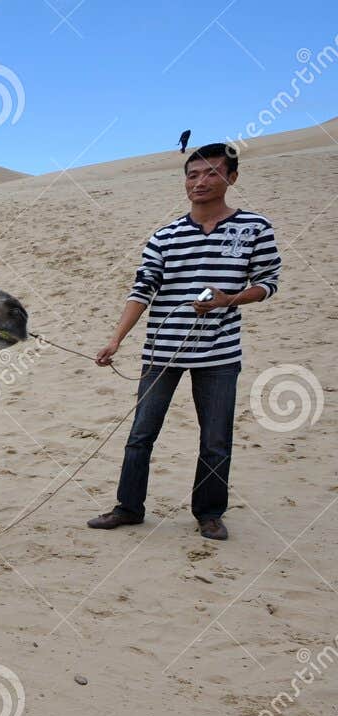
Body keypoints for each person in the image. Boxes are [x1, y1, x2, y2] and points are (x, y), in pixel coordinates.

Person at [87, 143, 281, 542]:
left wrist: (230, 299)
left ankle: (209, 513)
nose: (200, 182)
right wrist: (116, 339)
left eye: (211, 173)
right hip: (162, 350)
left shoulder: (254, 228)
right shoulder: (165, 235)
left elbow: (268, 282)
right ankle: (128, 507)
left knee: (215, 438)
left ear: (232, 177)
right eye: (193, 175)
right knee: (141, 433)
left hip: (219, 353)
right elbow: (143, 289)